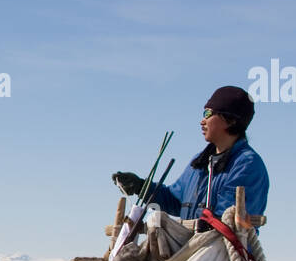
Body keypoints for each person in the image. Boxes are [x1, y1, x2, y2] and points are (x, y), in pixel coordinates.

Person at [113, 85, 268, 224]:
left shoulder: (247, 165)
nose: (202, 121)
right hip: (191, 245)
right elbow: (175, 201)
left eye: (208, 113)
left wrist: (200, 226)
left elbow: (227, 215)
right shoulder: (200, 162)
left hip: (222, 250)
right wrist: (141, 186)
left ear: (231, 120)